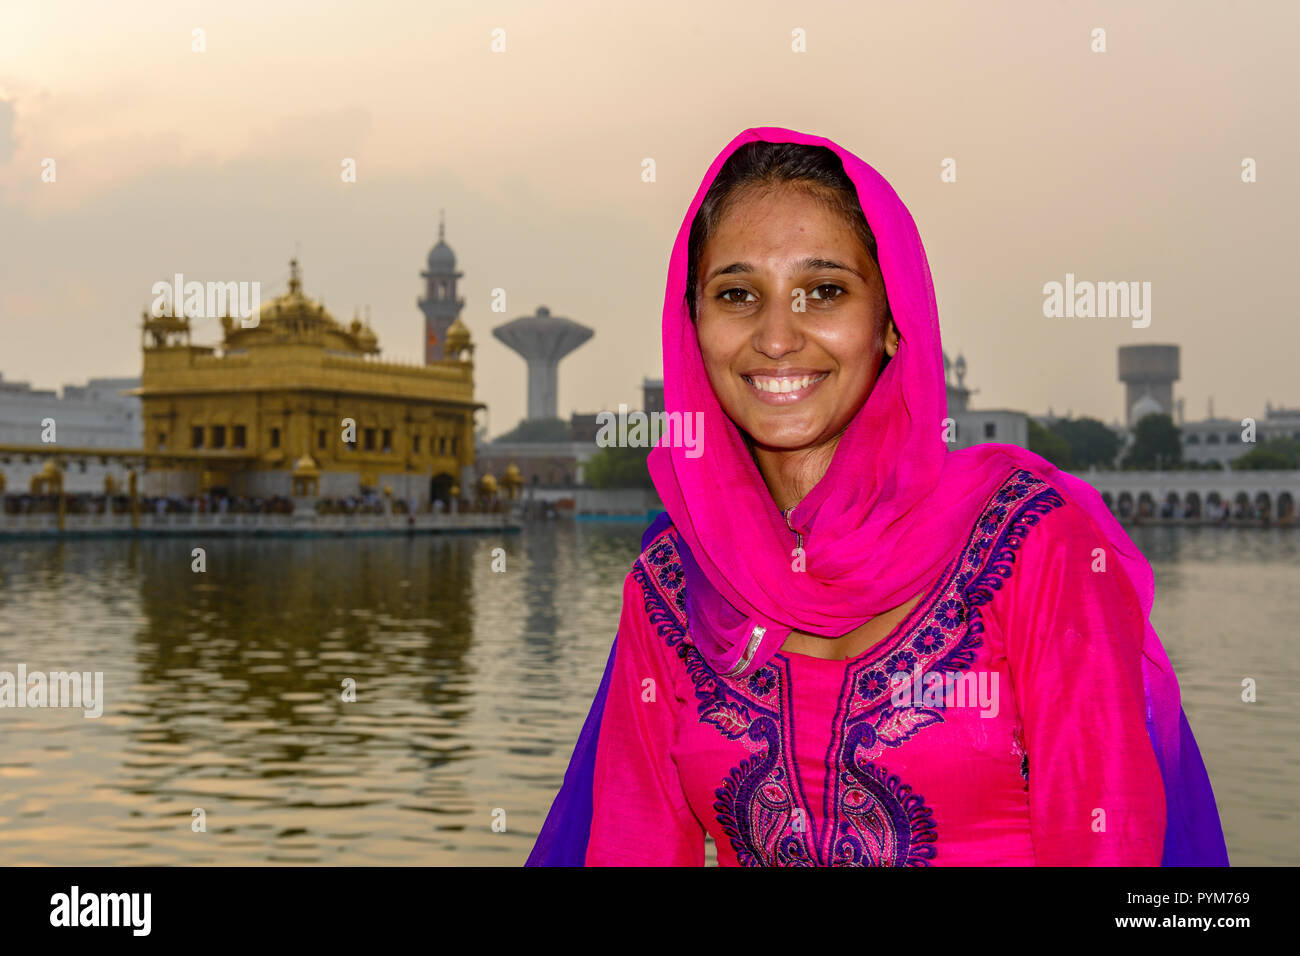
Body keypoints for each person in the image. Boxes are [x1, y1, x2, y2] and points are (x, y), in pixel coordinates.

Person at [528, 127, 1227, 867]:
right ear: (692, 325)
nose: (775, 337)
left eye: (823, 290)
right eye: (737, 294)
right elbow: (631, 843)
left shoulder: (1032, 544)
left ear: (891, 324)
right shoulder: (676, 586)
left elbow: (1107, 841)